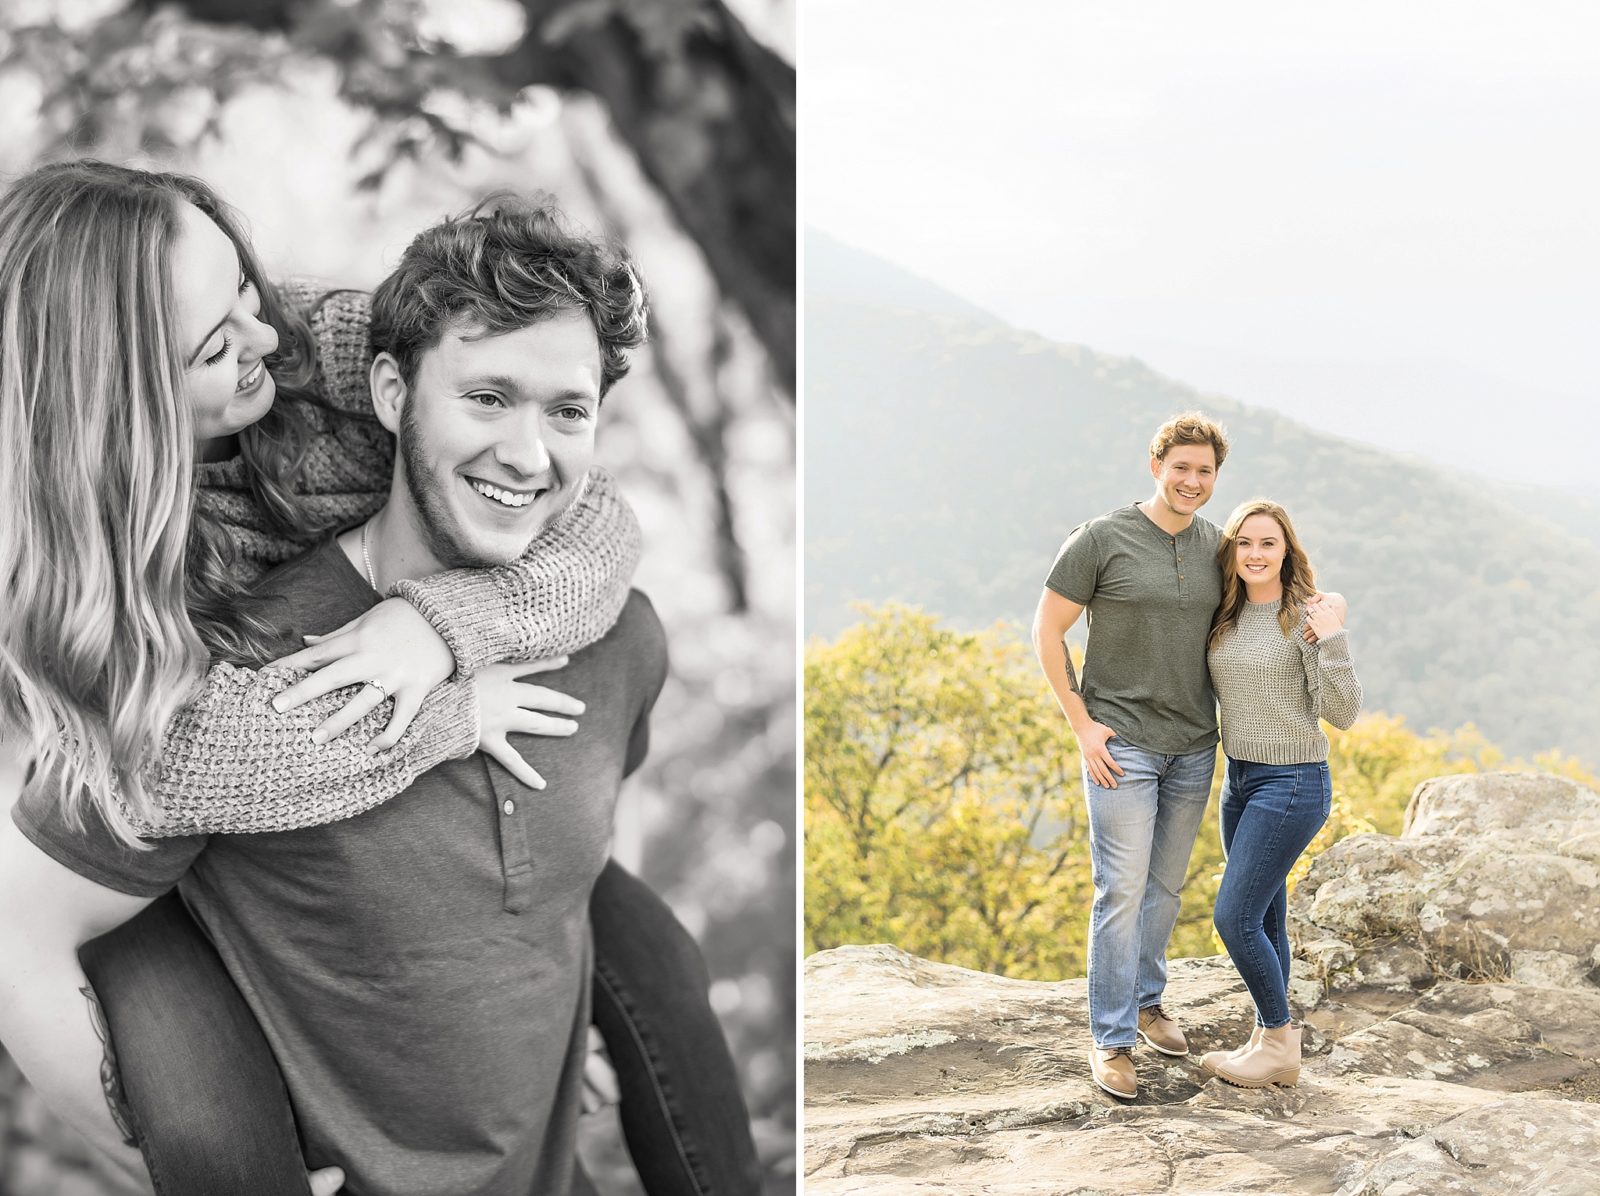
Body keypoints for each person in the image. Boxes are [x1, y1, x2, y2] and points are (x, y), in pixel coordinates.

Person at [0, 160, 760, 1195]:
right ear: (118, 398)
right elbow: (175, 764)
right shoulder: (83, 583)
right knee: (202, 1116)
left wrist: (440, 625)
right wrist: (443, 714)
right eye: (219, 345)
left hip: (376, 693)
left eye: (247, 295)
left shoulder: (321, 350)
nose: (266, 338)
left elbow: (587, 511)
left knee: (658, 964)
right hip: (166, 823)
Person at [1030, 412, 1344, 1101]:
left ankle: (1148, 1002)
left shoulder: (1217, 548)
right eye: (1182, 468)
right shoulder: (1101, 538)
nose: (1192, 481)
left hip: (1197, 750)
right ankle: (1112, 1040)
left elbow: (1273, 595)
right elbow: (1047, 630)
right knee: (1121, 889)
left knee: (1166, 889)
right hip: (1121, 744)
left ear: (1215, 478)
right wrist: (1081, 724)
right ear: (1156, 467)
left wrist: (1330, 619)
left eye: (1205, 471)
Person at [1198, 499, 1362, 1088]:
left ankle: (1279, 1040)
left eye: (1268, 543)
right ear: (1231, 551)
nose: (1255, 554)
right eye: (1244, 543)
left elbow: (1342, 713)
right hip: (1239, 780)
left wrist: (1334, 637)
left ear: (1287, 550)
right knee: (1265, 919)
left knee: (1233, 916)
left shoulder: (1305, 617)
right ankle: (1269, 1043)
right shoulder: (1224, 614)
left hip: (1292, 782)